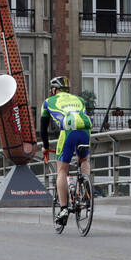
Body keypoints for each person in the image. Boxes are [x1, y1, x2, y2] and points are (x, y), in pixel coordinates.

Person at [39, 75, 92, 226]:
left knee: (62, 169)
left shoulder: (48, 102)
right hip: (85, 130)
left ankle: (63, 209)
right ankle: (86, 191)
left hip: (67, 131)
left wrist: (45, 145)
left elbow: (43, 128)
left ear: (54, 89)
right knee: (83, 160)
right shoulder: (79, 100)